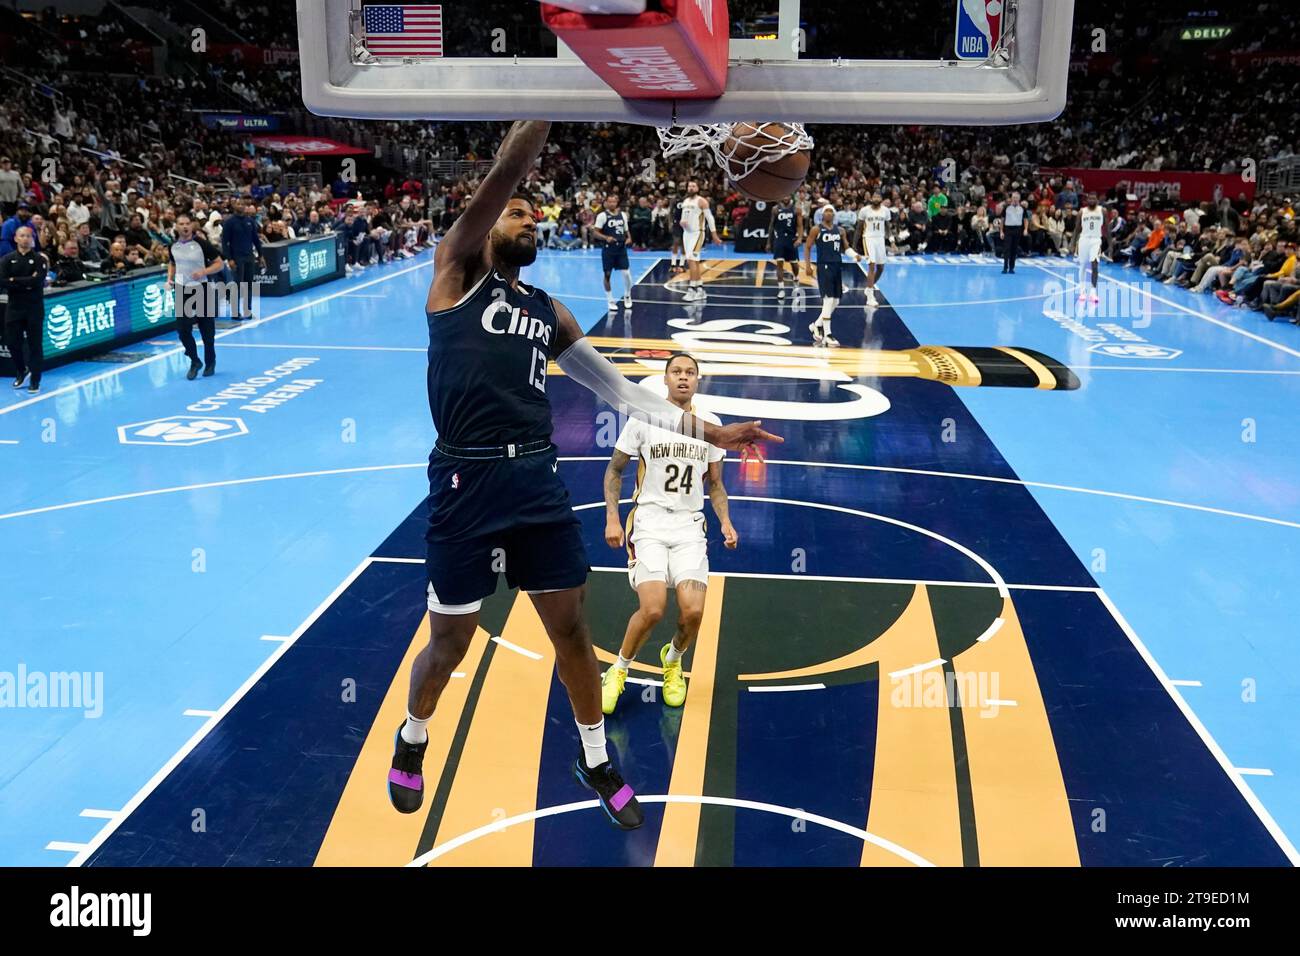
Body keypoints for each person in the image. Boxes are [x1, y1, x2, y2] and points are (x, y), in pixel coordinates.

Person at [388, 120, 778, 831]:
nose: (526, 216)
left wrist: (716, 433)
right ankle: (414, 736)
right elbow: (504, 173)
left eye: (534, 213)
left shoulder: (549, 311)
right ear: (482, 225)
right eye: (516, 211)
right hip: (464, 483)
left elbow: (627, 397)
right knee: (451, 643)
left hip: (536, 480)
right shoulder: (452, 272)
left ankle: (594, 757)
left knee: (571, 630)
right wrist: (542, 109)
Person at [600, 352, 736, 714]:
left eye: (690, 372)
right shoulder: (644, 418)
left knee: (693, 612)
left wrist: (725, 520)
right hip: (649, 524)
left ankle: (673, 660)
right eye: (676, 371)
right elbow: (614, 472)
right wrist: (612, 517)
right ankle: (618, 670)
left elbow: (717, 486)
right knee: (654, 607)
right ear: (665, 378)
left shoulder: (710, 424)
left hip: (690, 526)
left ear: (698, 380)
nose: (683, 377)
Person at [168, 212, 225, 380]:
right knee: (183, 330)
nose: (185, 226)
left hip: (201, 288)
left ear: (192, 226)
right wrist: (169, 278)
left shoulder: (202, 244)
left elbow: (219, 264)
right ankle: (194, 361)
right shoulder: (172, 246)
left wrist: (203, 272)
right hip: (182, 290)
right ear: (176, 227)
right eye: (181, 223)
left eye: (187, 223)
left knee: (206, 330)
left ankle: (210, 361)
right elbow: (172, 263)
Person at [802, 204, 861, 347]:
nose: (828, 213)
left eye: (831, 211)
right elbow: (808, 247)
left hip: (836, 266)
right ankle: (827, 334)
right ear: (822, 214)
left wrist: (855, 255)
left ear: (834, 214)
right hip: (824, 266)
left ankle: (816, 324)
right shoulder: (816, 229)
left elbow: (845, 247)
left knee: (836, 302)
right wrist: (808, 266)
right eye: (826, 211)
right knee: (828, 300)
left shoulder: (840, 230)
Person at [0, 225, 49, 393]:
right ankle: (21, 371)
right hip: (14, 307)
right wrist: (25, 281)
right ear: (15, 238)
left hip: (34, 308)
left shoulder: (39, 259)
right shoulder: (7, 259)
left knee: (35, 344)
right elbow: (3, 281)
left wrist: (15, 281)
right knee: (12, 342)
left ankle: (35, 379)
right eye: (22, 235)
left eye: (28, 236)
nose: (25, 238)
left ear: (32, 239)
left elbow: (37, 281)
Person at [222, 199, 264, 319]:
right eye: (238, 204)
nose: (240, 205)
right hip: (236, 258)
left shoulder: (250, 221)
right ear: (234, 205)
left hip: (249, 256)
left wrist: (261, 255)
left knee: (249, 284)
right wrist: (229, 259)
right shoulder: (229, 222)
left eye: (242, 204)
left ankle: (247, 310)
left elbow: (255, 239)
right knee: (237, 285)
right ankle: (235, 312)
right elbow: (225, 243)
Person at [679, 180, 720, 301]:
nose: (691, 188)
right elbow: (684, 218)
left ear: (698, 188)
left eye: (693, 186)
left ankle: (692, 289)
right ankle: (700, 289)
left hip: (698, 234)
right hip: (686, 233)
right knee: (693, 261)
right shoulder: (685, 201)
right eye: (689, 186)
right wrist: (682, 223)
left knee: (692, 261)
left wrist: (714, 235)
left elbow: (710, 219)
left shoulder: (701, 201)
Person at [591, 193, 632, 312]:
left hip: (621, 248)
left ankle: (627, 295)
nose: (612, 204)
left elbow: (626, 230)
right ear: (606, 203)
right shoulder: (602, 216)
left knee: (627, 274)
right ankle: (610, 300)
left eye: (614, 201)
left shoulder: (623, 215)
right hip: (609, 249)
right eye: (610, 201)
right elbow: (595, 232)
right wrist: (606, 238)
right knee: (607, 275)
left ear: (617, 202)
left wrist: (629, 237)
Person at [859, 192, 890, 307]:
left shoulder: (886, 211)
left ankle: (869, 287)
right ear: (871, 198)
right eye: (874, 196)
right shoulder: (864, 210)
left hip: (880, 239)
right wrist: (853, 245)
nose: (876, 198)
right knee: (872, 265)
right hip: (868, 238)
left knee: (881, 268)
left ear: (881, 199)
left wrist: (891, 240)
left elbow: (887, 226)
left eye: (878, 196)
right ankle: (870, 297)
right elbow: (859, 227)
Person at [767, 197, 799, 300]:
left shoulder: (795, 209)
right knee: (779, 264)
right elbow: (771, 225)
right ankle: (781, 289)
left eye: (787, 195)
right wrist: (768, 242)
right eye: (784, 195)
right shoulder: (775, 209)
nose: (785, 197)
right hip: (779, 239)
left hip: (791, 239)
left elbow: (800, 225)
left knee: (794, 264)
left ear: (791, 196)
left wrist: (800, 238)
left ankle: (796, 278)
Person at [1076, 193, 1105, 303]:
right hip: (1084, 239)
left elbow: (1106, 227)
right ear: (1087, 200)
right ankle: (1082, 292)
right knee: (1082, 265)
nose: (1092, 200)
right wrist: (1072, 243)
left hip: (1096, 240)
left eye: (1094, 198)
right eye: (1090, 198)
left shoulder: (1102, 210)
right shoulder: (1082, 212)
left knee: (1094, 265)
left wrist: (1110, 246)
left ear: (1097, 200)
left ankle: (1093, 292)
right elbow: (1077, 229)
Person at [999, 192, 1027, 273]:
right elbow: (1002, 220)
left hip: (1018, 229)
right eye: (1014, 197)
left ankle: (1012, 268)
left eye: (1016, 198)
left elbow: (1025, 219)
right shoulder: (1006, 208)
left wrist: (1025, 229)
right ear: (1011, 198)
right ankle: (1005, 267)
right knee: (1006, 249)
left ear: (1019, 199)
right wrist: (1001, 231)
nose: (1015, 199)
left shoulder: (1022, 208)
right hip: (1008, 229)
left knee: (1014, 249)